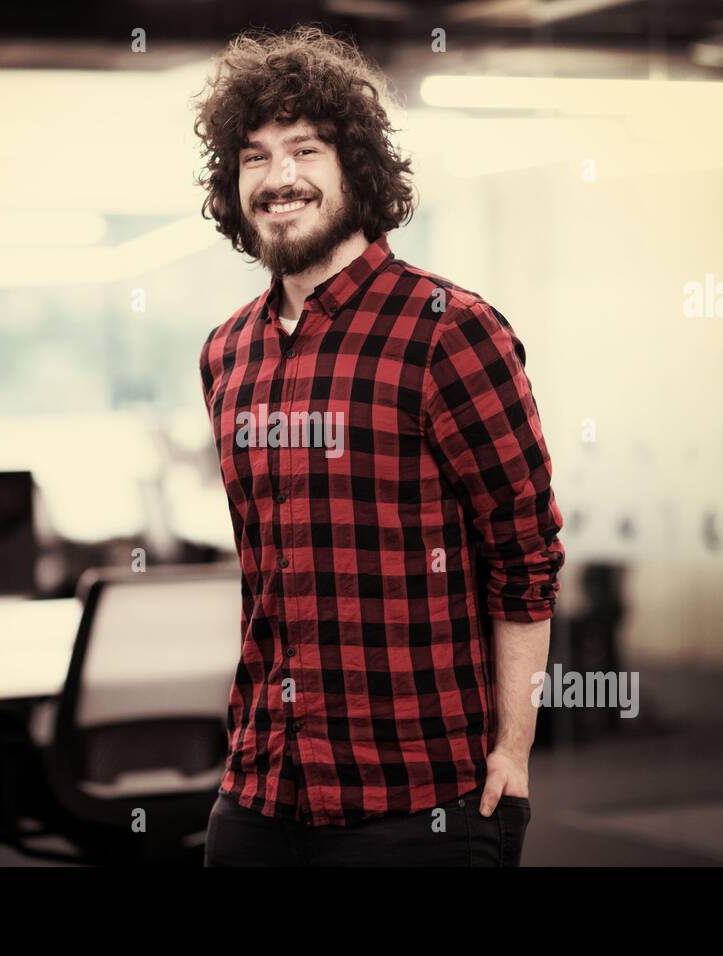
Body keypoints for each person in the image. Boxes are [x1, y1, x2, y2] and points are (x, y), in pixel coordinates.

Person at [194, 26, 565, 866]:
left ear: (355, 169)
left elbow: (526, 555)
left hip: (420, 799)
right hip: (260, 793)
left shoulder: (450, 332)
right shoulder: (227, 353)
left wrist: (514, 750)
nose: (279, 177)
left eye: (305, 150)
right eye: (254, 158)